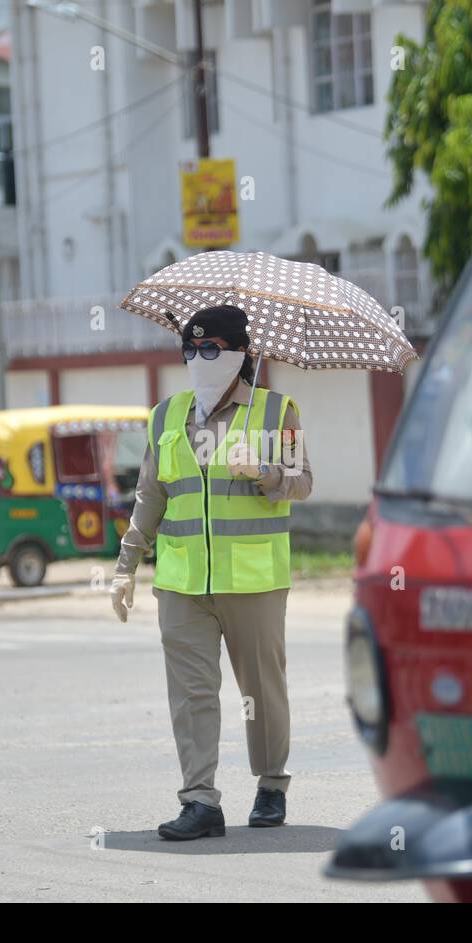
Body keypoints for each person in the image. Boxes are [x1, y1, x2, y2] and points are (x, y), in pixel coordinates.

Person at [111, 304, 313, 840]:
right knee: (191, 693)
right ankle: (200, 801)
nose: (199, 360)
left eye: (211, 350)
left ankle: (271, 784)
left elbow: (302, 479)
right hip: (181, 585)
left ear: (240, 354)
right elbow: (150, 496)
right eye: (190, 350)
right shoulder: (166, 416)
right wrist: (126, 565)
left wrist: (265, 471)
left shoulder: (275, 412)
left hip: (252, 581)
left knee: (261, 690)